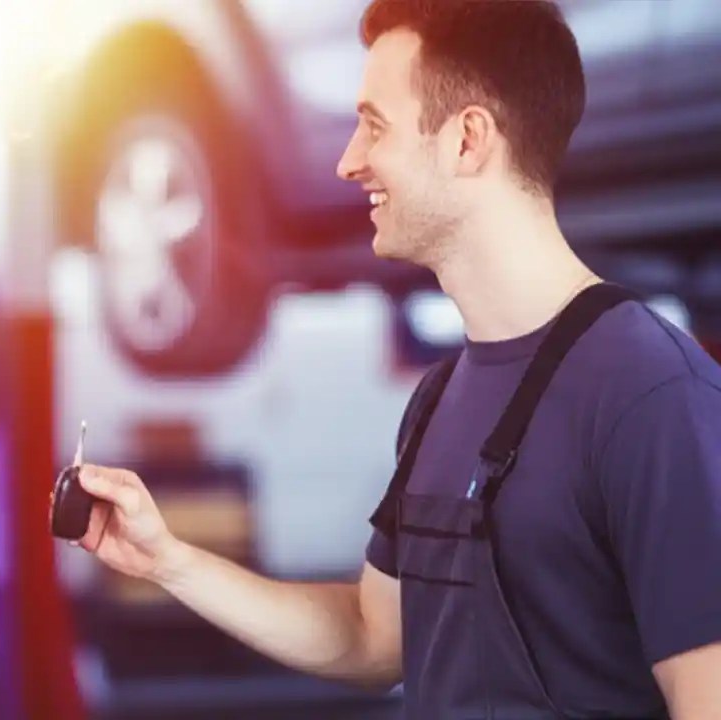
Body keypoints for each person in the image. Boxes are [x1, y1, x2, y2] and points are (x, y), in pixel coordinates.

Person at [73, 1, 721, 717]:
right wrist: (169, 559)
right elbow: (372, 636)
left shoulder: (652, 397)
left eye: (374, 125)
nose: (349, 160)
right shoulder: (442, 401)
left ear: (468, 140)